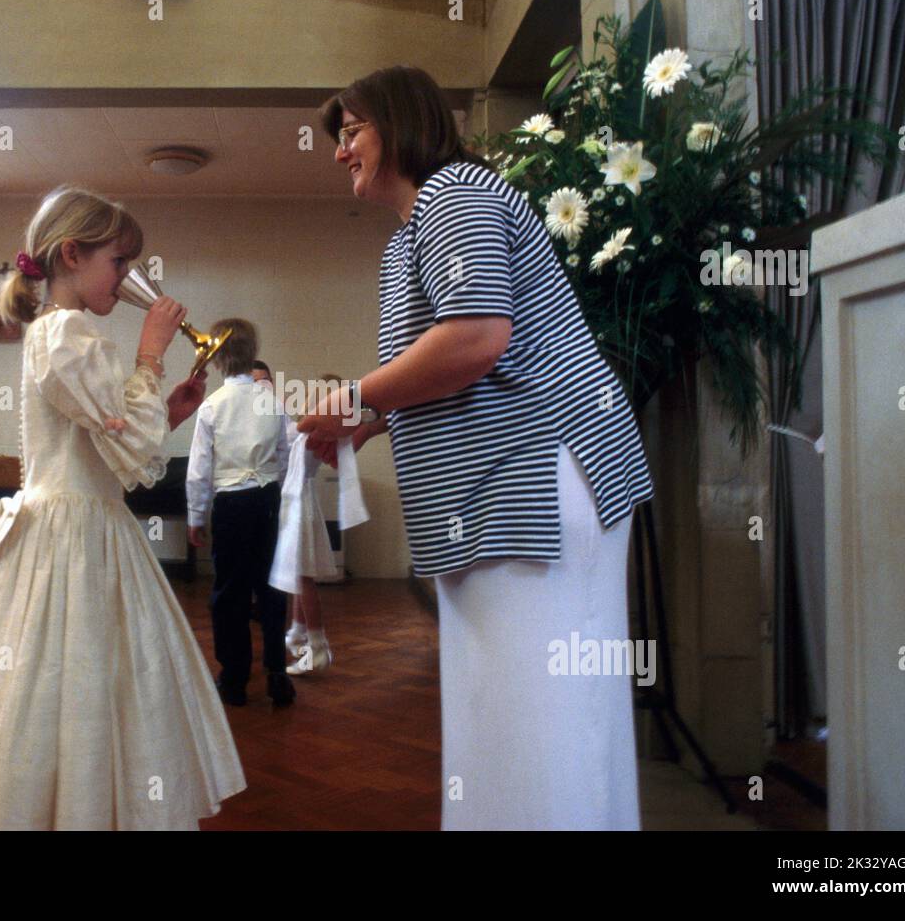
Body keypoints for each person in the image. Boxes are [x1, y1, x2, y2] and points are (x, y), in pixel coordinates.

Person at [298, 67, 655, 830]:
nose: (339, 152)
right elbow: (457, 364)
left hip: (534, 480)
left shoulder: (455, 194)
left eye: (352, 130)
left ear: (400, 123)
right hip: (498, 488)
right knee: (512, 709)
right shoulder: (417, 228)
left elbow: (477, 339)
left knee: (539, 711)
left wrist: (358, 399)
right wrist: (369, 424)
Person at [0, 186, 245, 830]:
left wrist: (165, 411)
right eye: (119, 262)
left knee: (86, 693)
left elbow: (118, 447)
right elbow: (126, 442)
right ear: (72, 255)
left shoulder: (65, 332)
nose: (128, 277)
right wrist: (150, 352)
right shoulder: (65, 333)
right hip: (68, 540)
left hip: (85, 527)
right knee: (47, 696)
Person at [186, 319, 295, 708]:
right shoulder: (274, 403)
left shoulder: (212, 407)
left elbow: (199, 469)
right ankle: (277, 676)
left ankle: (233, 679)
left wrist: (197, 516)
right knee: (270, 587)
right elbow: (285, 454)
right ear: (252, 353)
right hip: (266, 502)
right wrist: (270, 483)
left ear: (216, 358)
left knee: (229, 592)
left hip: (230, 505)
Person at [282, 373, 344, 674]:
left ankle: (318, 646)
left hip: (299, 502)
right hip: (302, 499)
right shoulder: (315, 431)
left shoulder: (310, 432)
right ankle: (296, 633)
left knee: (302, 577)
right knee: (299, 574)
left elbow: (284, 437)